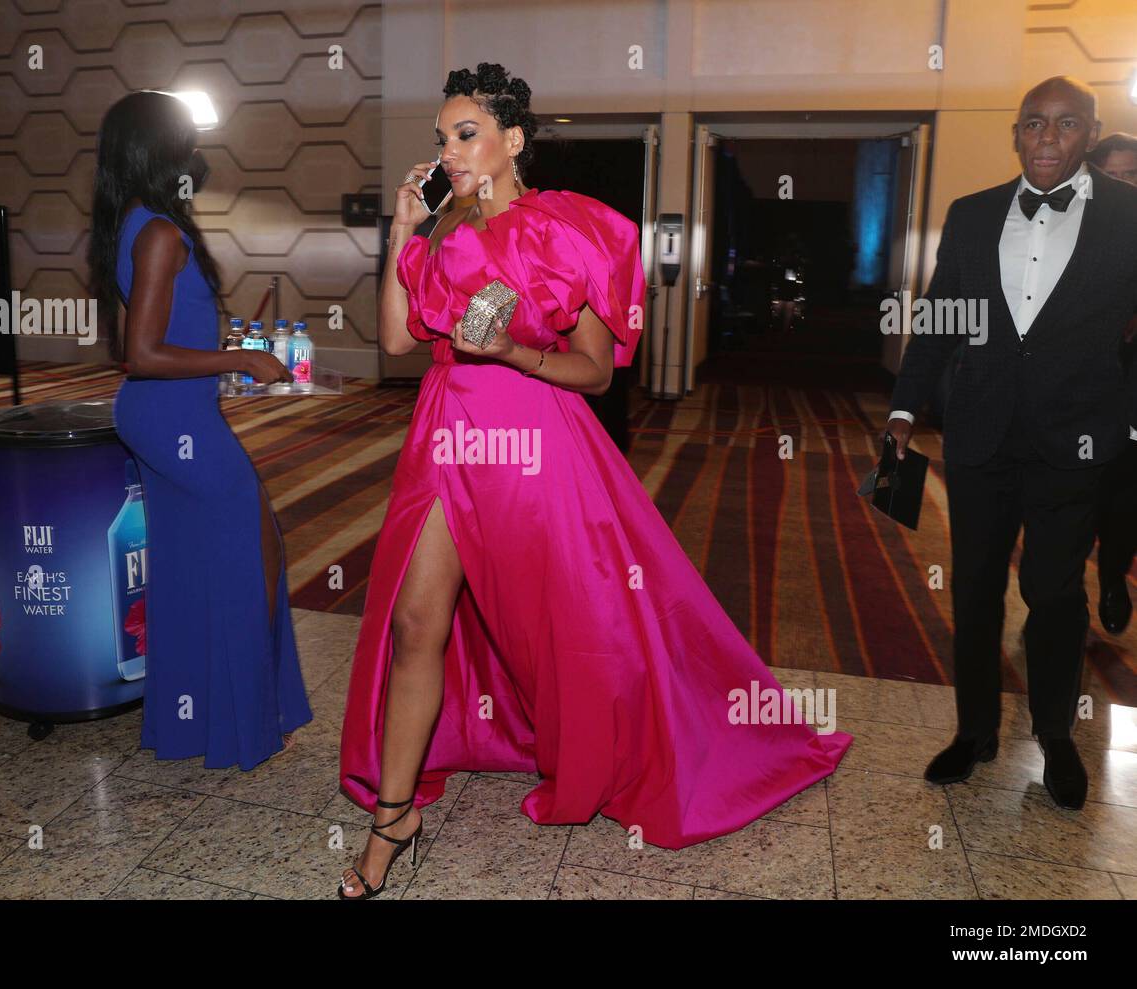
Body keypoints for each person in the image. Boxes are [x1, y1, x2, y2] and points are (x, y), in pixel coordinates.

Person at [336, 63, 852, 899]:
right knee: (414, 622)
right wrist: (402, 228)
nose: (451, 153)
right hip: (443, 434)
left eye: (466, 136)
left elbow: (594, 371)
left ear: (513, 142)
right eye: (442, 139)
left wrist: (507, 349)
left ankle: (621, 750)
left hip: (535, 442)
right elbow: (397, 343)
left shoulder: (570, 230)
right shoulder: (436, 231)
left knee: (571, 625)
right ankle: (395, 815)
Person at [885, 77, 1137, 810]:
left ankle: (1057, 736)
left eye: (1065, 125)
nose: (1048, 138)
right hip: (981, 437)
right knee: (975, 589)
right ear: (1016, 134)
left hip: (1077, 439)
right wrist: (904, 408)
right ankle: (976, 731)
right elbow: (940, 316)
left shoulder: (1128, 217)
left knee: (1054, 593)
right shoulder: (972, 214)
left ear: (1090, 134)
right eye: (1034, 124)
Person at [87, 91, 312, 770]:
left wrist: (222, 348)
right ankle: (248, 714)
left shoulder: (135, 221)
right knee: (252, 546)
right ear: (159, 150)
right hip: (170, 414)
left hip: (168, 413)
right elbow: (142, 353)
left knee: (193, 563)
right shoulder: (158, 231)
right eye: (183, 140)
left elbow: (145, 342)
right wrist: (240, 357)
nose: (194, 153)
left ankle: (203, 719)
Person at [1087, 133, 1137, 634]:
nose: (1124, 185)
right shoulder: (1067, 230)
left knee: (1123, 507)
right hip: (1072, 403)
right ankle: (1055, 596)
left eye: (1133, 175)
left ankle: (1112, 577)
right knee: (1069, 508)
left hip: (1130, 408)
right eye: (1114, 175)